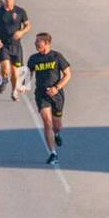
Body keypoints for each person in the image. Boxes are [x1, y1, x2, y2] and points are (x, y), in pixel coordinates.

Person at [26, 32, 71, 164]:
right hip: (41, 94)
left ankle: (56, 134)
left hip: (56, 94)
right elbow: (27, 75)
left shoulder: (57, 56)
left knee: (57, 124)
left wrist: (56, 88)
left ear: (46, 43)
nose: (35, 44)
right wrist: (23, 86)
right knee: (47, 122)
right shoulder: (33, 59)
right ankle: (53, 153)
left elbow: (68, 74)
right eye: (35, 42)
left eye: (38, 42)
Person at [0, 0, 30, 101]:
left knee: (15, 72)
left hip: (16, 46)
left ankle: (14, 91)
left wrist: (21, 32)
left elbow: (28, 25)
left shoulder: (20, 11)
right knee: (5, 67)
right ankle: (4, 79)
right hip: (4, 45)